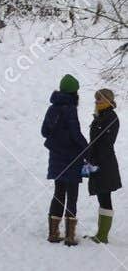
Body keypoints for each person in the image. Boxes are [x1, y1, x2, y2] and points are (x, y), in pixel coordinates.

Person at [43, 73, 89, 244]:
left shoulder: (52, 108)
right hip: (71, 157)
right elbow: (75, 134)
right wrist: (87, 148)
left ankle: (53, 233)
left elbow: (44, 132)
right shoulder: (70, 109)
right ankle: (70, 236)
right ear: (74, 93)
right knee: (72, 195)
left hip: (56, 157)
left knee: (58, 193)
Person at [87, 88, 120, 244]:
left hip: (104, 164)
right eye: (96, 98)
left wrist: (93, 159)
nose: (97, 101)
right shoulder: (100, 116)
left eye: (100, 99)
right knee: (102, 196)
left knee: (105, 196)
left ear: (108, 100)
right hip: (98, 162)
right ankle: (101, 234)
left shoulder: (111, 117)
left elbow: (105, 143)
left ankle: (103, 235)